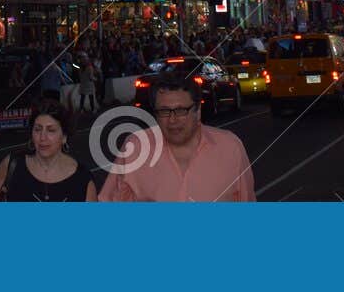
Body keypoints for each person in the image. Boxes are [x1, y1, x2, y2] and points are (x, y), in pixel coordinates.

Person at [99, 72, 254, 201]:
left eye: (181, 111)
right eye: (164, 111)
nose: (172, 120)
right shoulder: (135, 148)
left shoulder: (230, 148)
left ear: (198, 112)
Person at [0, 100, 95, 202]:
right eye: (38, 129)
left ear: (64, 137)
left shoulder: (82, 179)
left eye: (51, 130)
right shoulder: (12, 165)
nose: (42, 137)